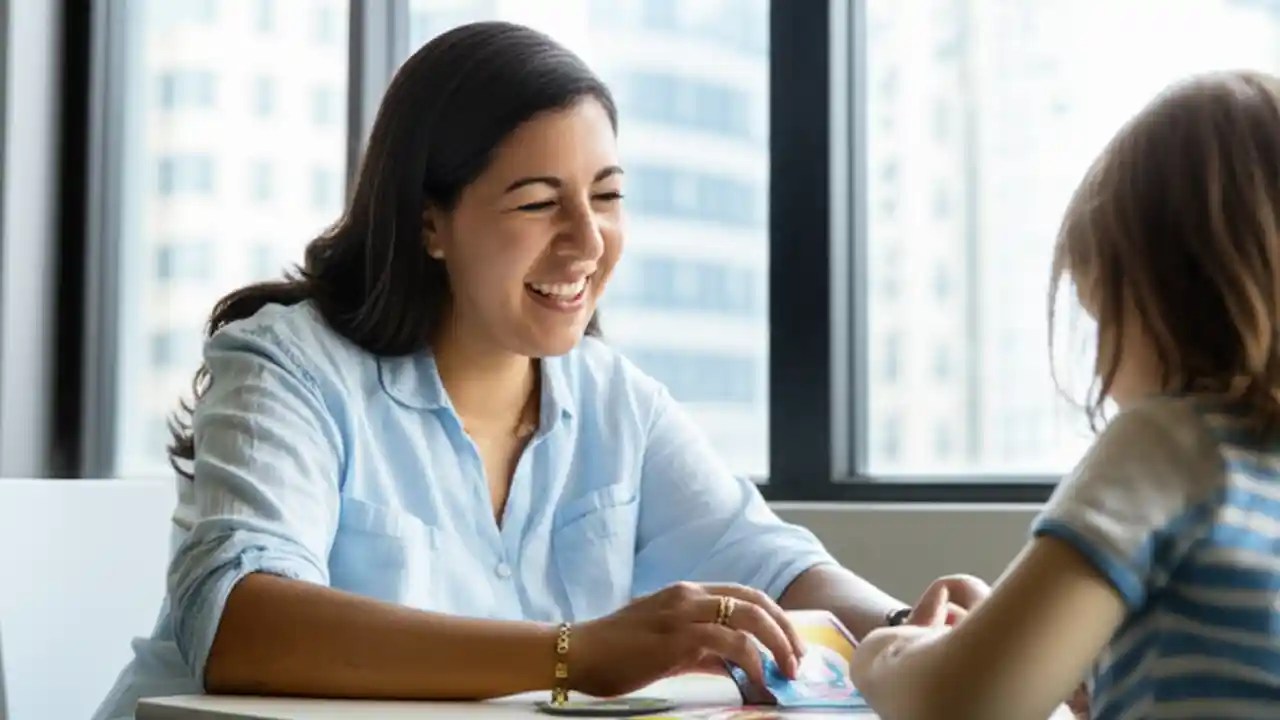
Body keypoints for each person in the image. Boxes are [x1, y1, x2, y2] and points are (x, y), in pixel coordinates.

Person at [93, 21, 986, 720]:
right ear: (428, 222)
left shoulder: (613, 400)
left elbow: (773, 567)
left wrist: (920, 636)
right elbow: (240, 624)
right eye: (537, 202)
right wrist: (573, 652)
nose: (588, 242)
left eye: (606, 196)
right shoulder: (288, 361)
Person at [850, 70, 1280, 720]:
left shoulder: (1176, 443)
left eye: (1102, 319)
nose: (1105, 381)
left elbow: (961, 703)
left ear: (1163, 293)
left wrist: (891, 651)